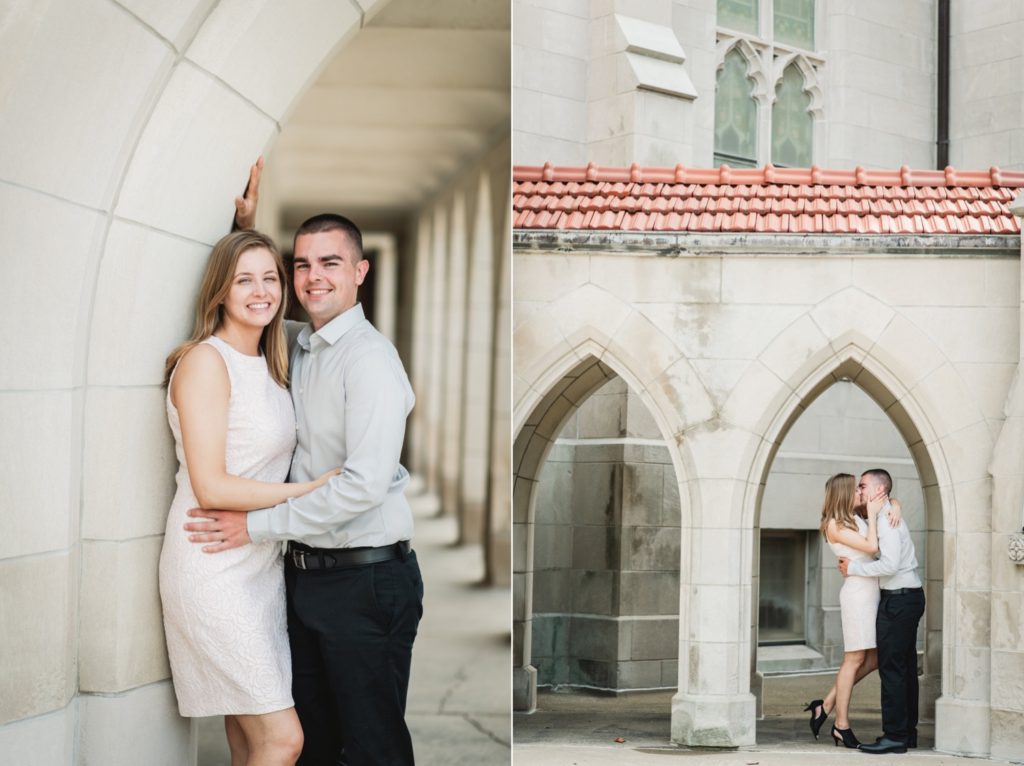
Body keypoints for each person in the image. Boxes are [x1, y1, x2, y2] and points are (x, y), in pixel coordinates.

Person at [183, 163, 424, 766]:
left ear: (361, 272)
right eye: (302, 265)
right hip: (305, 579)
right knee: (312, 747)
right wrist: (244, 229)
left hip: (366, 583)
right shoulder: (300, 343)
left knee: (372, 749)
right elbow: (250, 301)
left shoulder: (369, 362)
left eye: (331, 263)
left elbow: (363, 487)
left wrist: (256, 526)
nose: (313, 278)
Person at [159, 229, 341, 766]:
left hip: (260, 568)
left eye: (270, 279)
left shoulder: (269, 361)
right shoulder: (203, 363)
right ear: (219, 291)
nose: (260, 291)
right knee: (283, 740)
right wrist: (309, 490)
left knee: (248, 743)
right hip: (211, 567)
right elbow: (211, 484)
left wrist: (246, 220)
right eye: (243, 280)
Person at [803, 473, 899, 748]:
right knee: (854, 659)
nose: (860, 490)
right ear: (844, 492)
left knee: (874, 658)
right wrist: (870, 512)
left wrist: (897, 505)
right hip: (857, 595)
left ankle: (826, 703)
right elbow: (872, 546)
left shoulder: (853, 517)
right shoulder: (834, 525)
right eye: (856, 487)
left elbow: (888, 501)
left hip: (871, 592)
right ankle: (841, 725)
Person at [839, 468, 925, 755]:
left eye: (862, 485)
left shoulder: (886, 522)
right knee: (904, 667)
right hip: (905, 598)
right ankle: (906, 732)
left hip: (899, 600)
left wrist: (854, 568)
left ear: (878, 490)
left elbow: (888, 565)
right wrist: (893, 502)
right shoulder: (885, 514)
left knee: (892, 669)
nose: (859, 490)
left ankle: (895, 737)